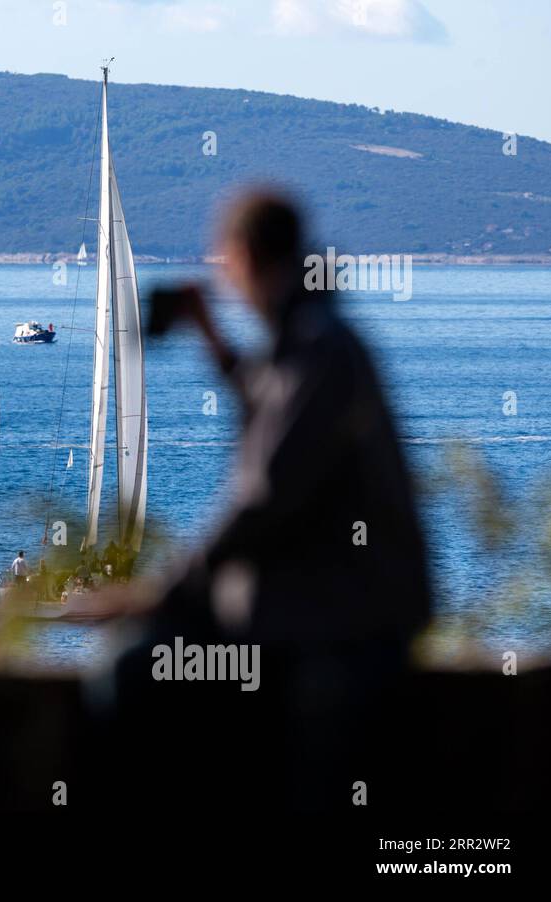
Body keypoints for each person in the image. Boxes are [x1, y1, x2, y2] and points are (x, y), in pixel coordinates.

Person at [98, 189, 432, 809]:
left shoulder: (318, 346)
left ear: (246, 256)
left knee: (137, 675)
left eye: (224, 260)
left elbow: (267, 495)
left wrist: (164, 589)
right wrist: (213, 340)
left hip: (339, 628)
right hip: (334, 614)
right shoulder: (314, 337)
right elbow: (277, 406)